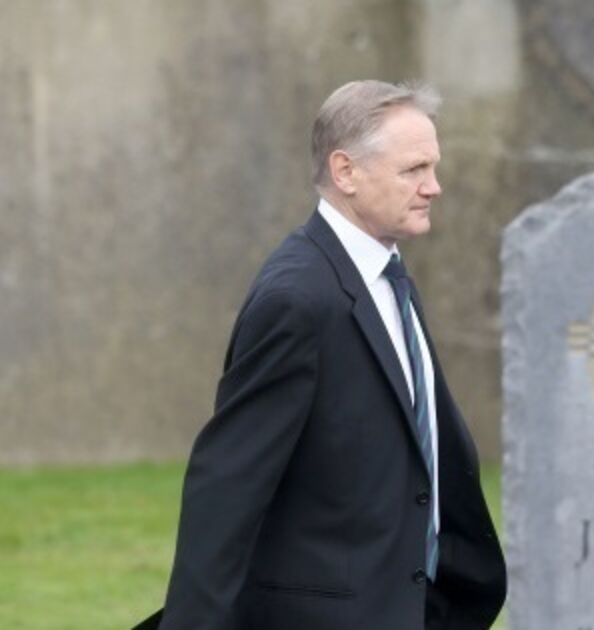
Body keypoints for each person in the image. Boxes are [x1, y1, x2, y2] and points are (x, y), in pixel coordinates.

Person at [139, 80, 507, 629]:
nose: (435, 187)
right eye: (414, 170)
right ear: (346, 172)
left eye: (434, 167)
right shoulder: (297, 298)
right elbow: (228, 484)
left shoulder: (388, 277)